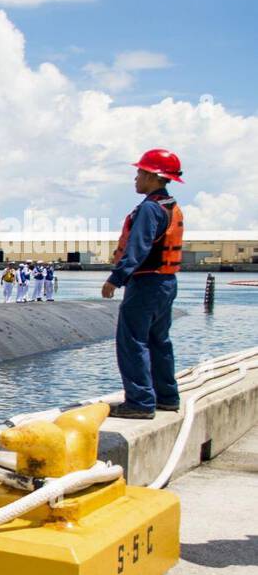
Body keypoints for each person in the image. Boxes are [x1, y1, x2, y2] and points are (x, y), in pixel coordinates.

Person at [102, 149, 185, 419]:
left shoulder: (150, 208)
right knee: (159, 341)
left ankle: (139, 402)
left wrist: (116, 278)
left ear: (152, 175)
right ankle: (167, 398)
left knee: (133, 342)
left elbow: (137, 248)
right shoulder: (170, 206)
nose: (136, 178)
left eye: (139, 172)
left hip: (146, 283)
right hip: (166, 283)